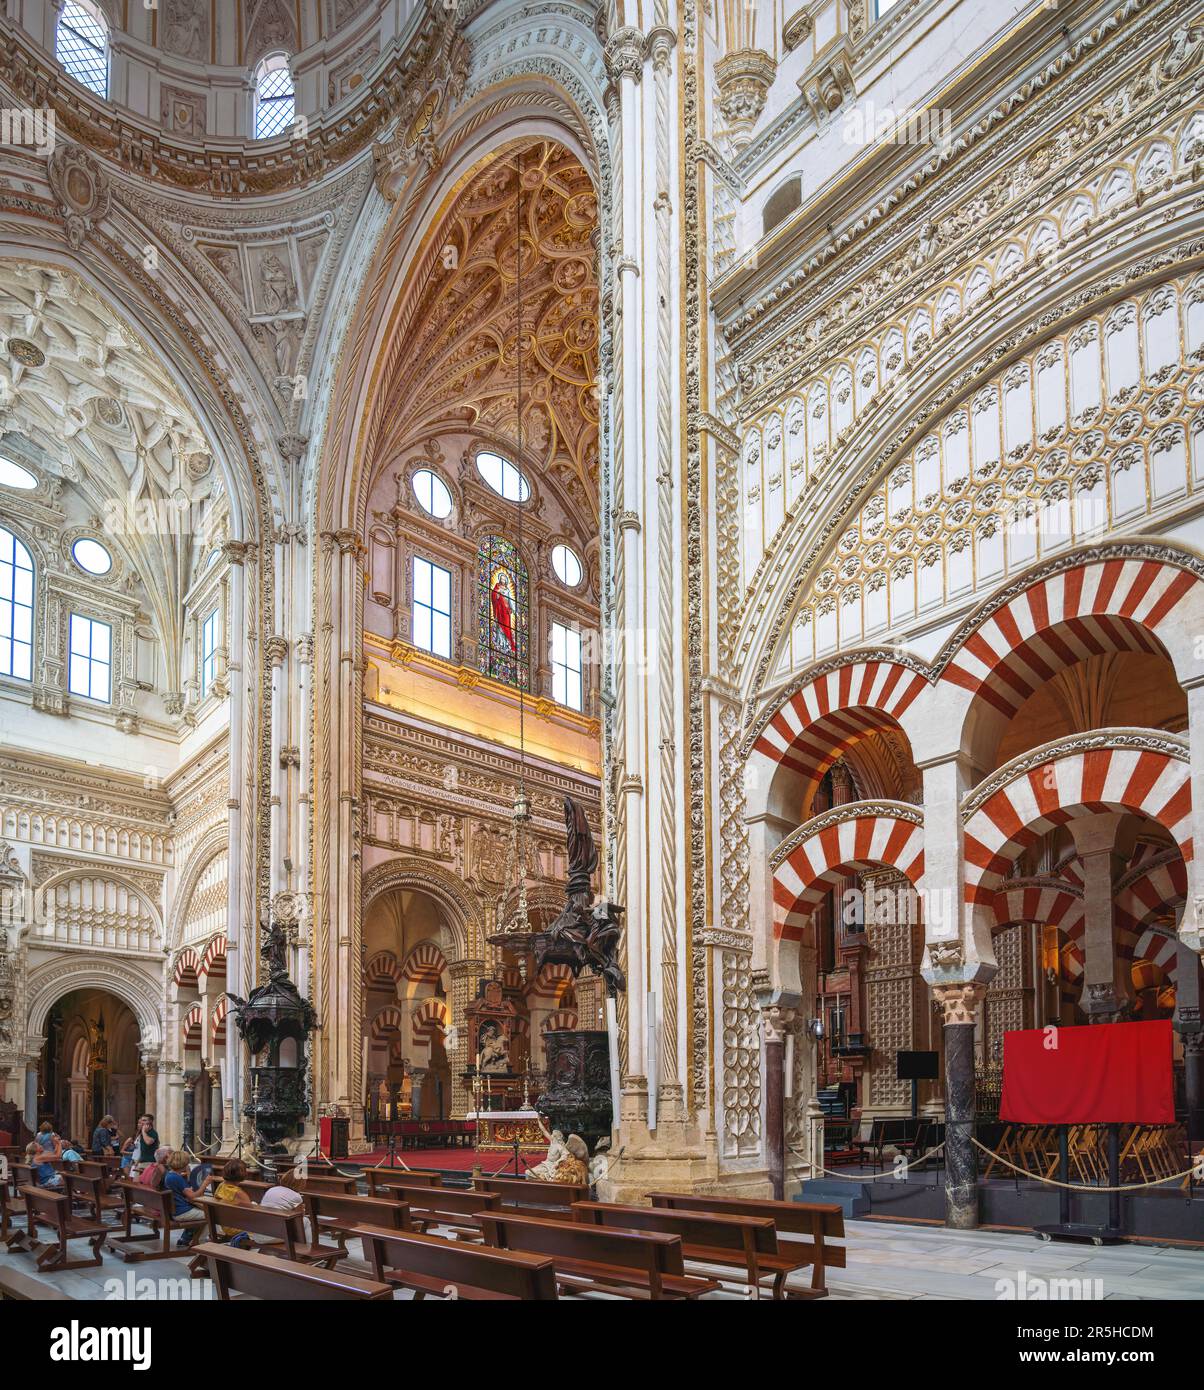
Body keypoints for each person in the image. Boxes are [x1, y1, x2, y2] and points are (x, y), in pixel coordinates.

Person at [163, 1150, 215, 1248]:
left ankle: (187, 1238)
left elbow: (185, 1190)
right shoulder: (176, 1178)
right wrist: (205, 1183)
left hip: (176, 1210)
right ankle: (200, 1243)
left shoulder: (170, 1175)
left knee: (201, 1211)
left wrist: (189, 1174)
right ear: (184, 1163)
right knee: (210, 1215)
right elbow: (193, 1196)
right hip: (181, 1212)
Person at [212, 1159, 254, 1247]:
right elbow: (252, 1214)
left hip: (225, 1224)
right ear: (243, 1174)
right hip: (237, 1228)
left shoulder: (221, 1185)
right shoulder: (238, 1193)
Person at [32, 1123, 64, 1188]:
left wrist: (57, 1143)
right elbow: (58, 1156)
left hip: (49, 1177)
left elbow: (55, 1152)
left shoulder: (40, 1155)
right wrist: (59, 1143)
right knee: (70, 1179)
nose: (41, 1145)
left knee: (67, 1176)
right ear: (36, 1150)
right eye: (39, 1145)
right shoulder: (40, 1157)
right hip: (47, 1181)